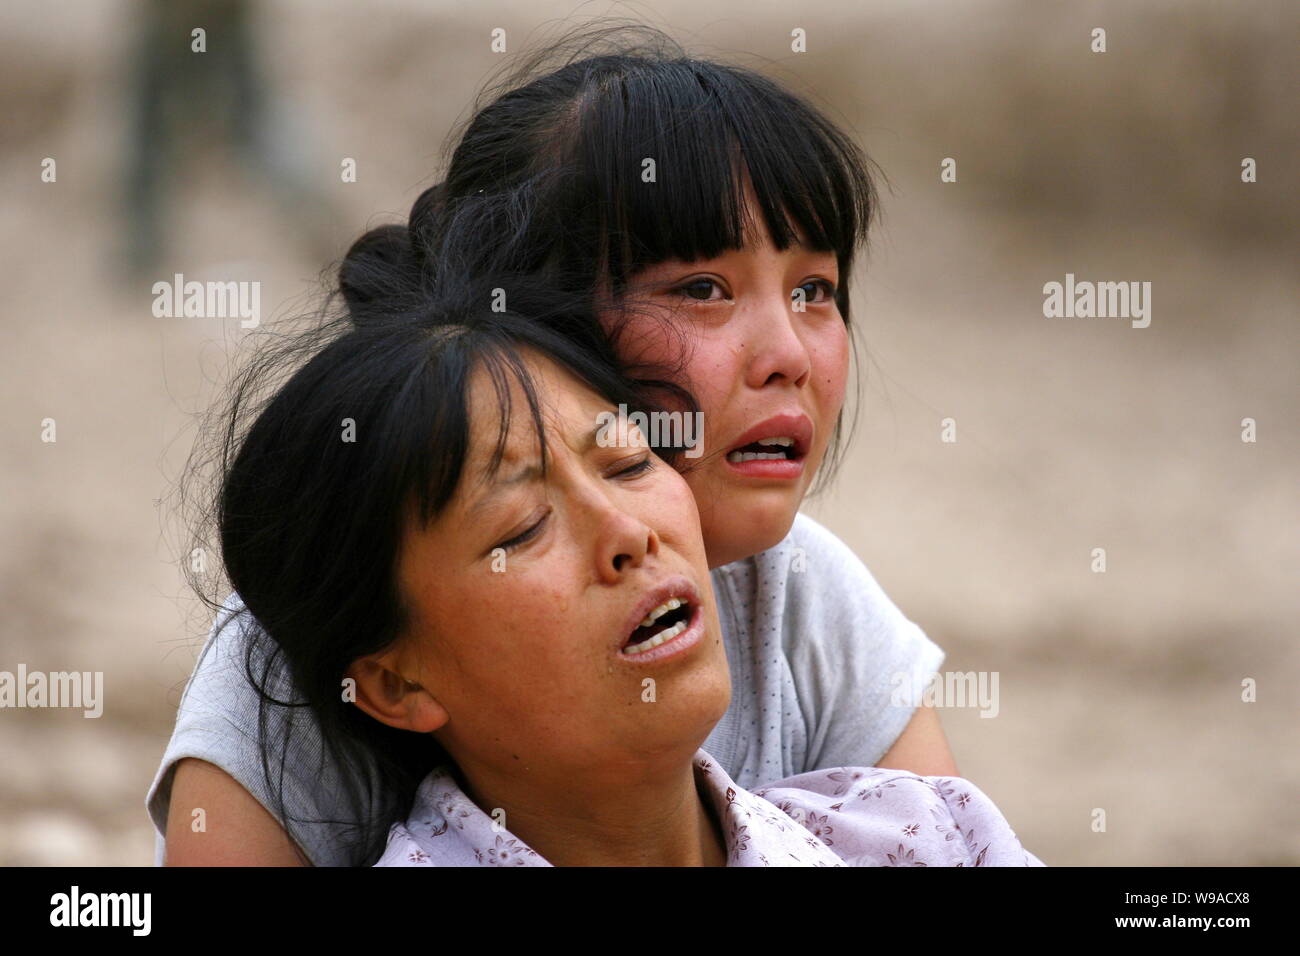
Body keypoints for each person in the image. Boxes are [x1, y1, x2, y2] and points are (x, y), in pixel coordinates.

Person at [150, 26, 962, 866]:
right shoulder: (319, 636)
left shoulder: (806, 597)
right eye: (702, 289)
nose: (790, 355)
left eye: (816, 290)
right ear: (536, 320)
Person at [195, 271, 1043, 866]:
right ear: (392, 684)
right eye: (522, 528)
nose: (627, 532)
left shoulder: (919, 834)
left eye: (630, 464)